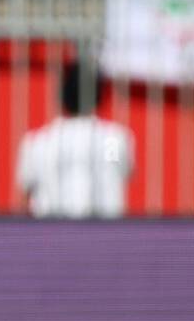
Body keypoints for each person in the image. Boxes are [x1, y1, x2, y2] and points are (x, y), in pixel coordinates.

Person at [15, 59, 134, 219]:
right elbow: (118, 173)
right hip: (105, 230)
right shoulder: (112, 139)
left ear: (62, 93)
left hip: (50, 231)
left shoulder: (39, 142)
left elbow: (25, 195)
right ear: (98, 94)